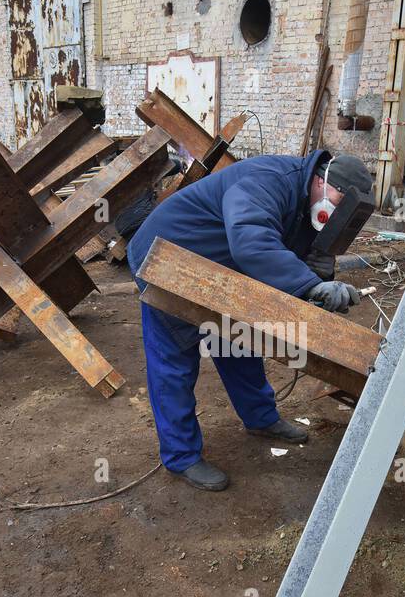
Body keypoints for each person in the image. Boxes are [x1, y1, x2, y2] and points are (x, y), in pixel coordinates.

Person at [127, 149, 373, 491]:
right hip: (167, 257)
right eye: (338, 201)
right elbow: (251, 240)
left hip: (222, 274)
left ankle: (261, 418)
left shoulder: (309, 203)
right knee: (175, 362)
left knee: (238, 344)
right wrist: (311, 286)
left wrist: (321, 289)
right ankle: (181, 457)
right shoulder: (269, 180)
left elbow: (313, 256)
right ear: (321, 180)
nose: (336, 213)